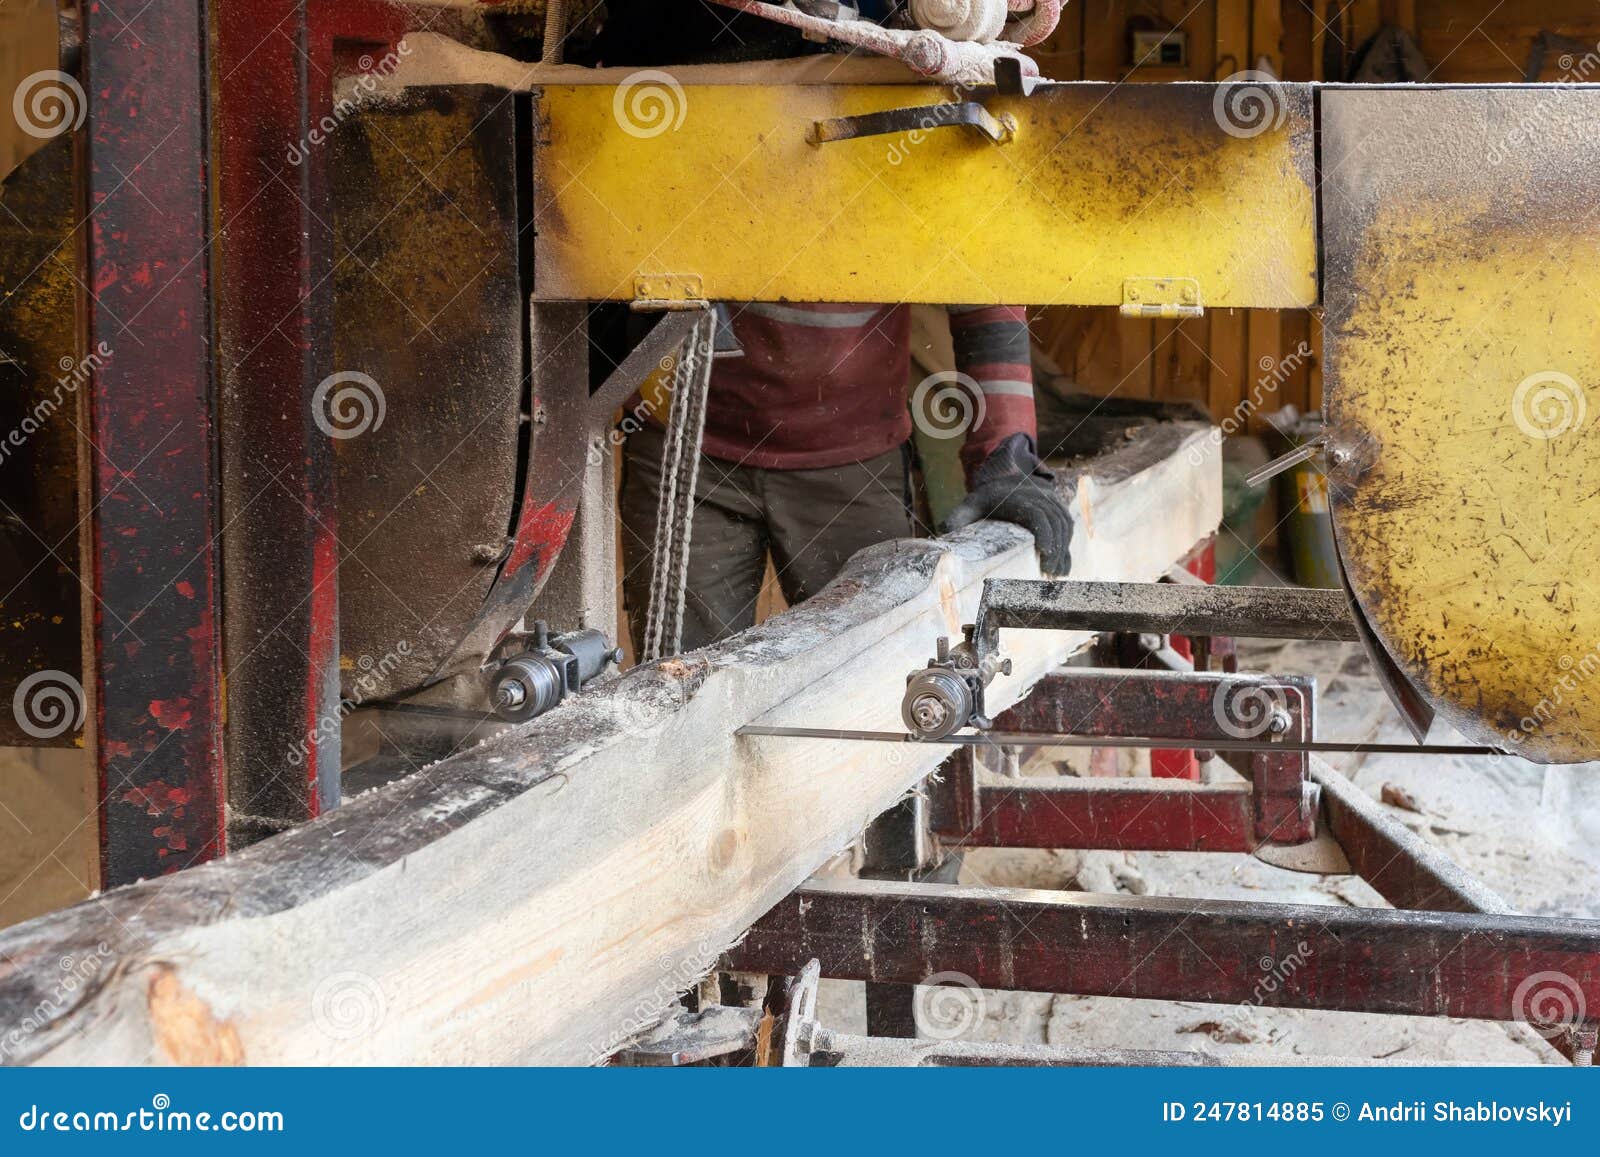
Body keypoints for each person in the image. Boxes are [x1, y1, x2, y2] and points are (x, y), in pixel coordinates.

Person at [620, 302, 1074, 653]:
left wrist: (1005, 456)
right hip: (683, 450)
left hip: (853, 459)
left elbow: (983, 287)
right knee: (676, 684)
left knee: (873, 678)